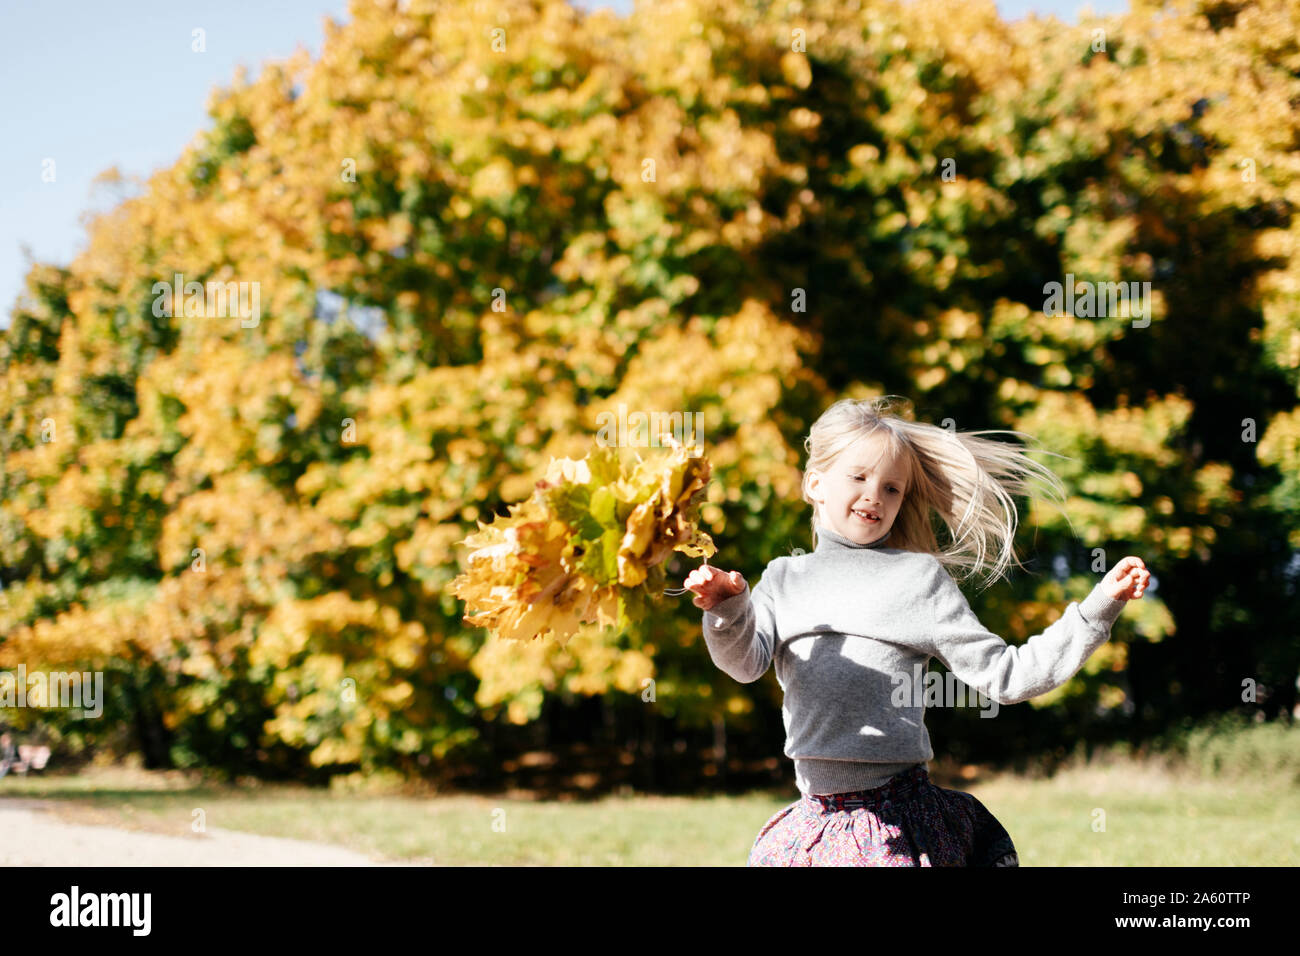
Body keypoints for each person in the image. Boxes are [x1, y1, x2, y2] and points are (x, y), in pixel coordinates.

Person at [685, 396, 1150, 866]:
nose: (875, 496)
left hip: (900, 823)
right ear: (815, 484)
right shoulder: (784, 578)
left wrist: (1098, 608)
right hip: (817, 824)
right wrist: (727, 607)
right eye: (859, 477)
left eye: (892, 488)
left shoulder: (918, 579)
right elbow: (743, 665)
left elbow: (1009, 677)